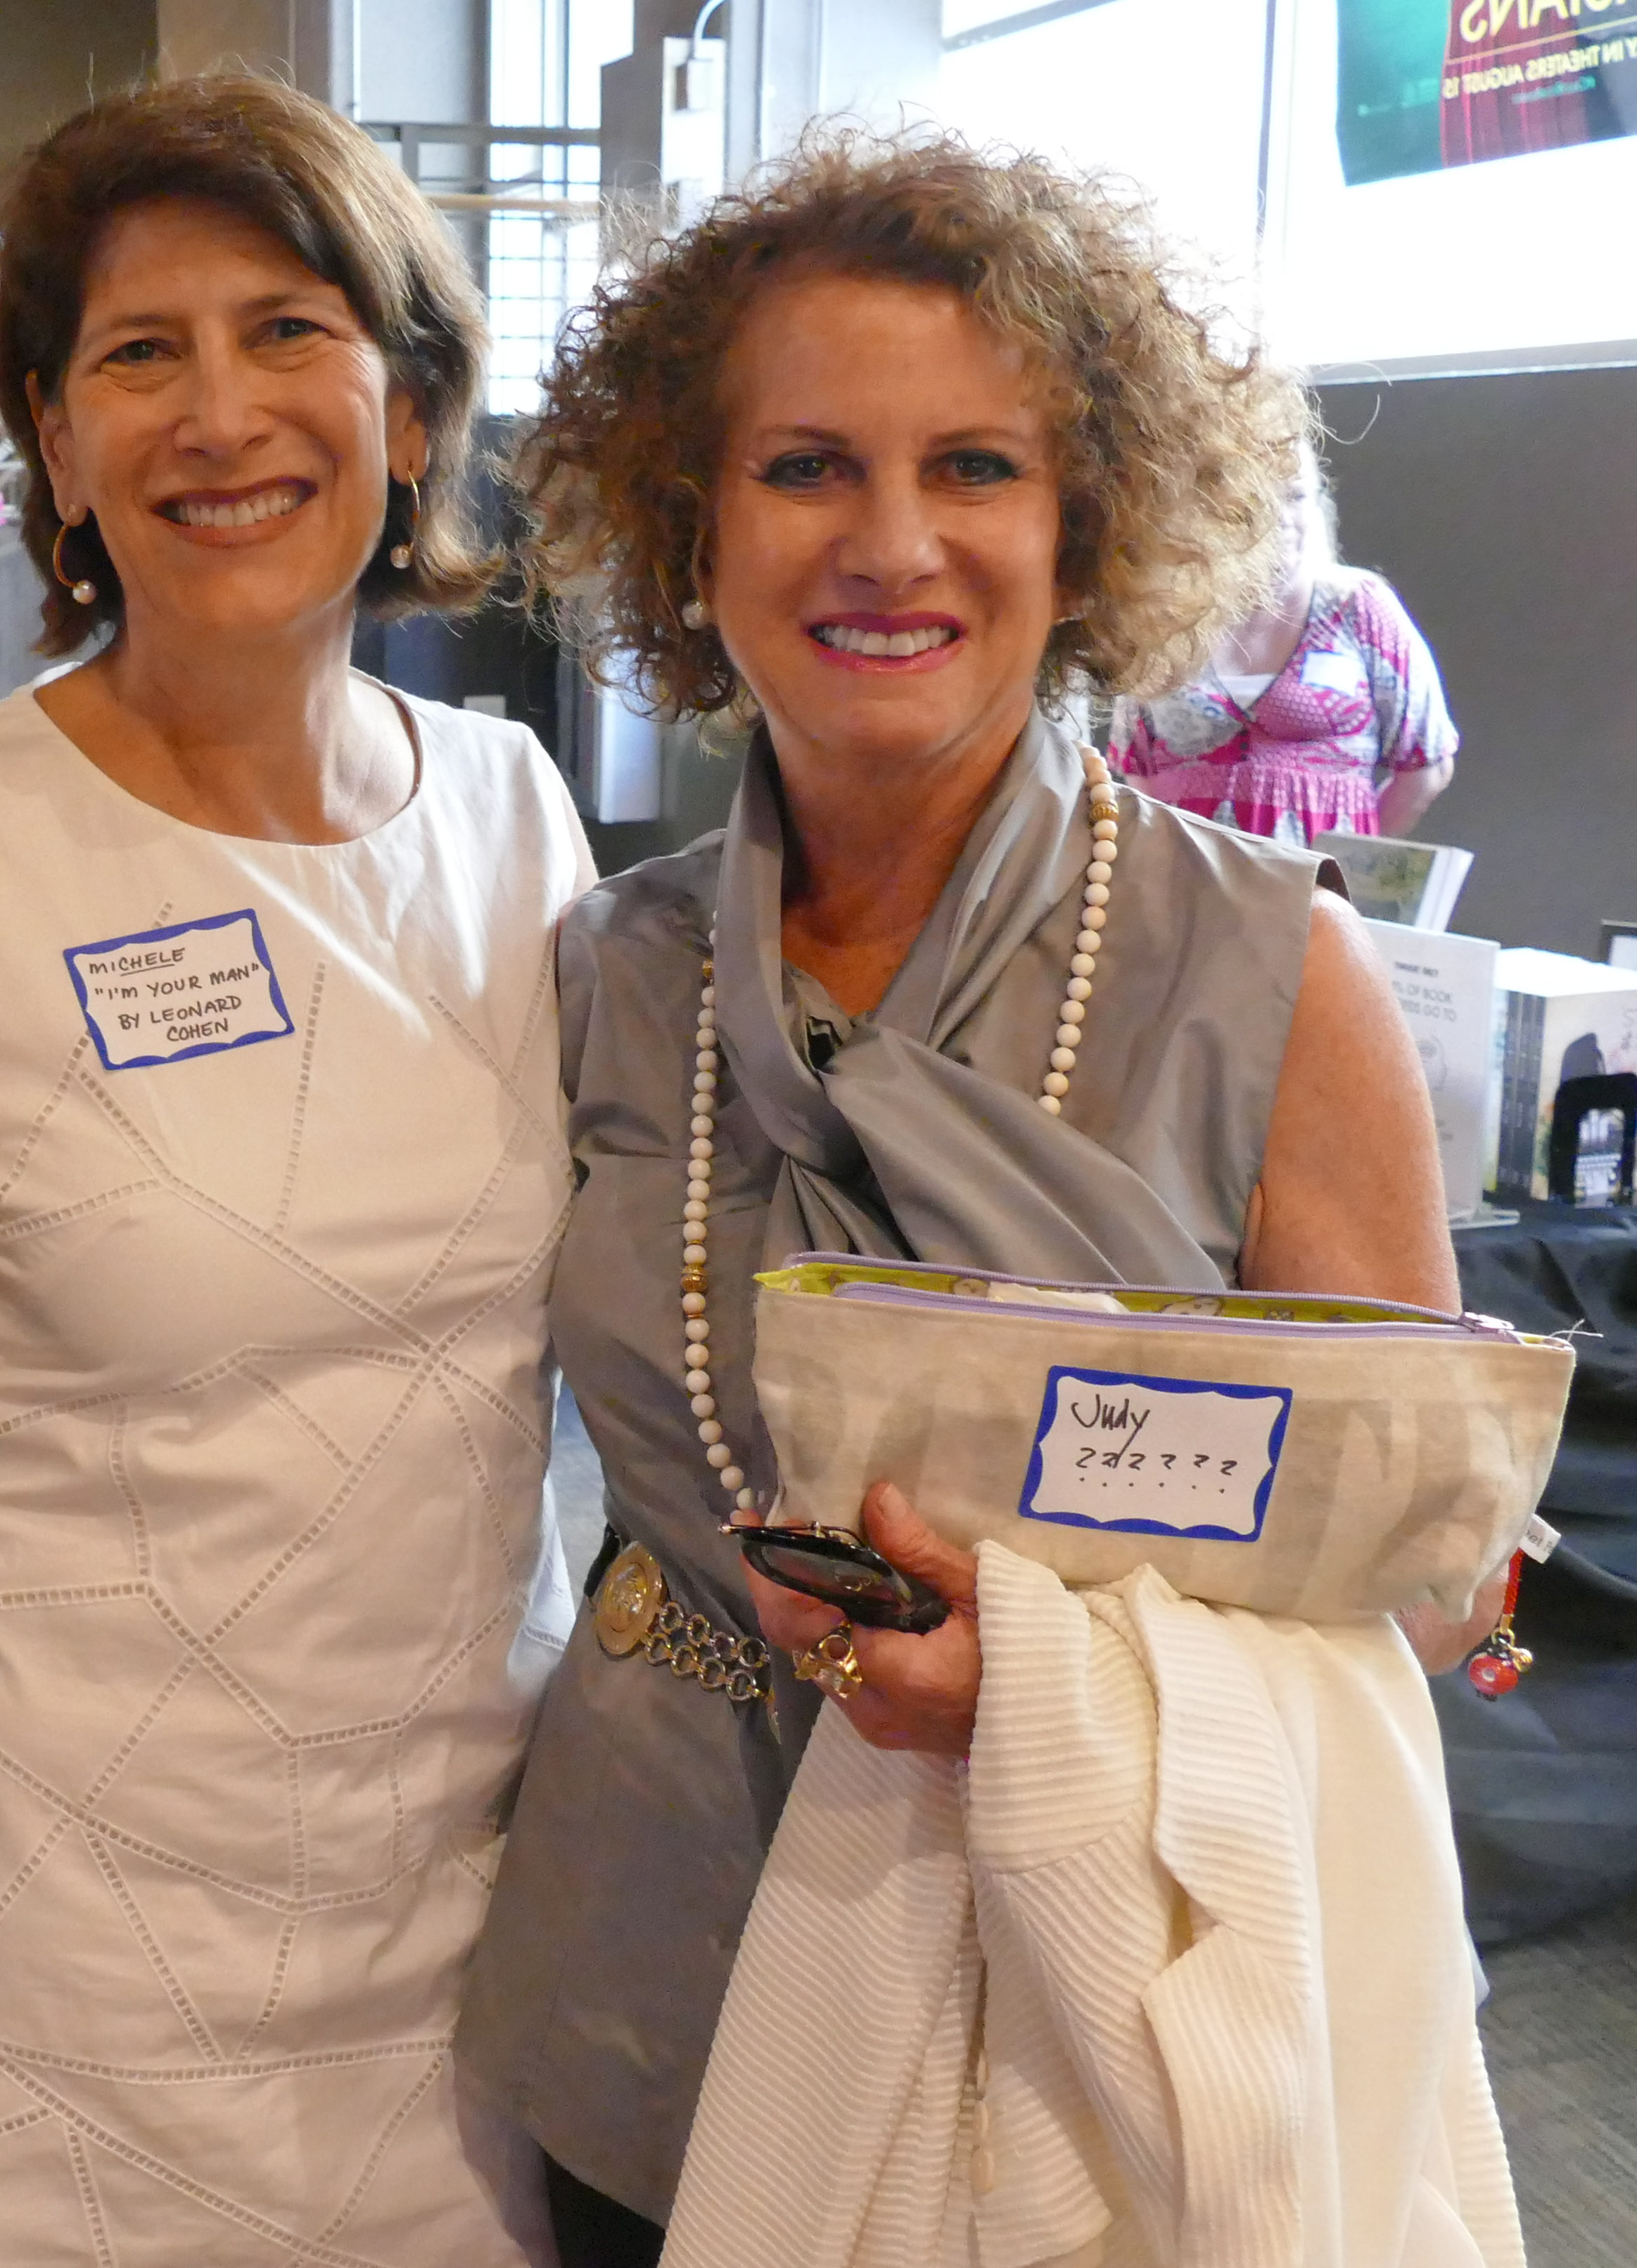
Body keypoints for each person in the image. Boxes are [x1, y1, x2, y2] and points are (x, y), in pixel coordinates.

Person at [454, 134, 1506, 2267]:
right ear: (691, 521)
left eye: (977, 469)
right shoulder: (614, 958)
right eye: (805, 468)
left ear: (1083, 517)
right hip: (638, 1960)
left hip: (1076, 1995)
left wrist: (1046, 1688)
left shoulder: (1266, 972)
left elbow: (1427, 1575)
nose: (892, 544)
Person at [0, 75, 590, 2268]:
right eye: (138, 352)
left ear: (407, 410)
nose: (220, 412)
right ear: (51, 442)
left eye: (288, 330)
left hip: (469, 1887)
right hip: (68, 1927)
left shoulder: (517, 823)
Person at [1111, 441, 1458, 843]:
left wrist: (1350, 867)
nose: (1280, 519)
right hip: (1187, 893)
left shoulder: (1357, 607)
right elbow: (1137, 770)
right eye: (1254, 499)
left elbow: (1426, 770)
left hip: (1318, 896)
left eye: (1295, 496)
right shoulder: (1166, 616)